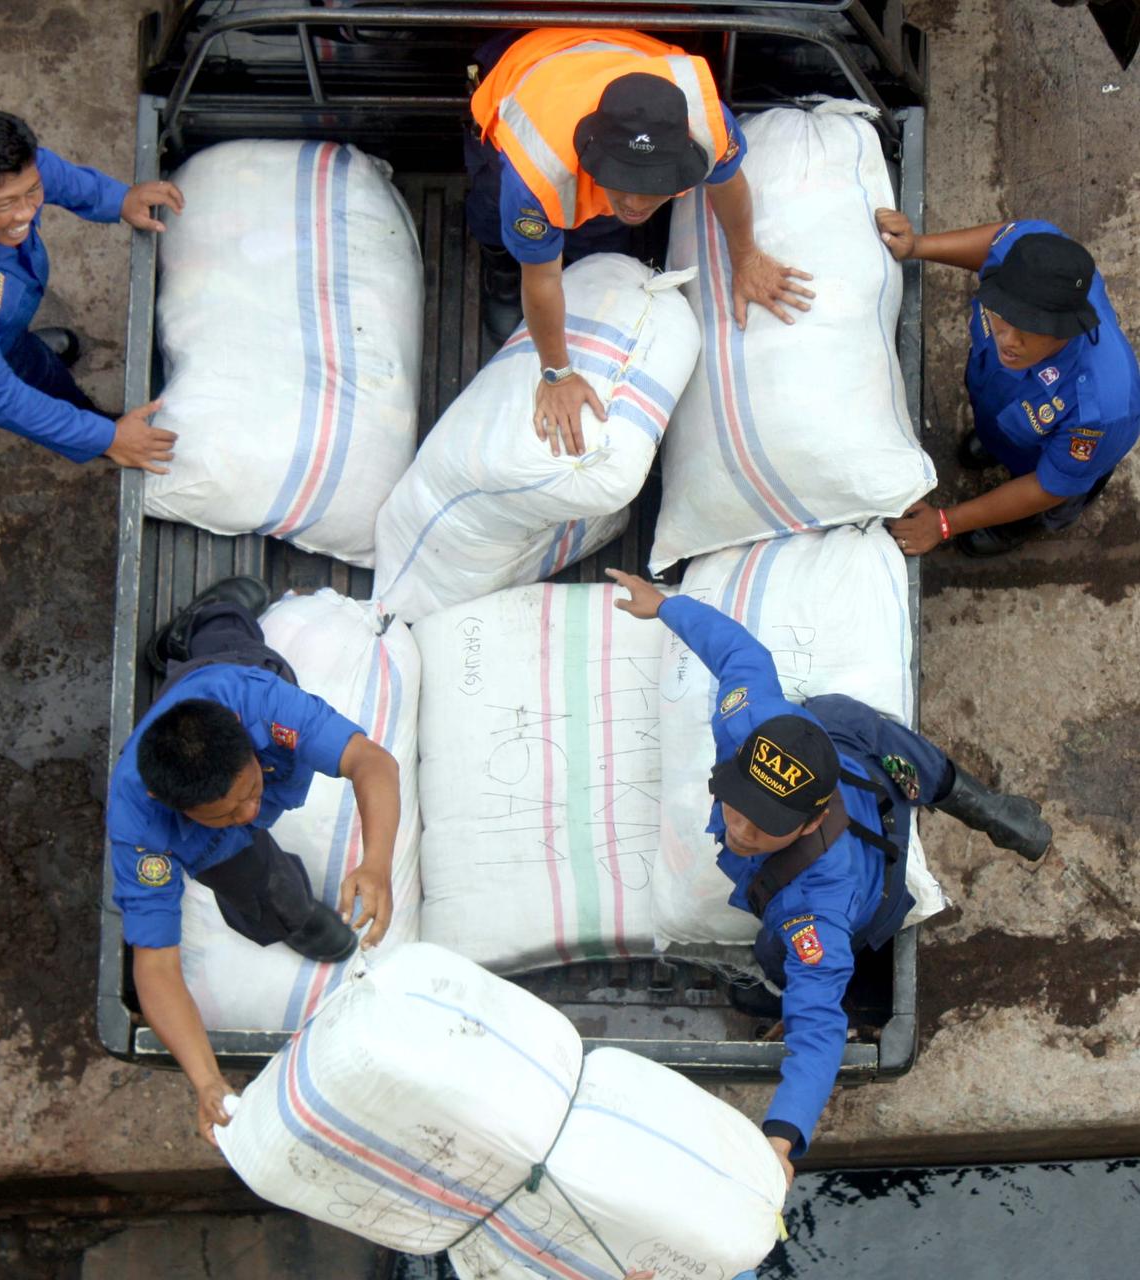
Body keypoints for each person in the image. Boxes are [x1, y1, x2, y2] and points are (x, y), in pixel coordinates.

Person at [605, 569, 1051, 1184]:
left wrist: (783, 1136)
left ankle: (992, 811)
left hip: (868, 878)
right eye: (738, 803)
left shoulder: (816, 908)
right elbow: (741, 653)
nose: (739, 828)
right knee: (842, 714)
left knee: (784, 953)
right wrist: (665, 606)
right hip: (835, 737)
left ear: (813, 815)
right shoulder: (750, 723)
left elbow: (820, 1033)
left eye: (763, 825)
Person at [106, 576, 400, 1145]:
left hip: (227, 667)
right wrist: (207, 1080)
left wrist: (378, 861)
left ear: (246, 741)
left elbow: (372, 762)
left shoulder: (258, 699)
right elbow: (156, 966)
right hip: (211, 844)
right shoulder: (139, 825)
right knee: (261, 889)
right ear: (174, 808)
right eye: (223, 810)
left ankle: (206, 616)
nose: (246, 811)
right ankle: (291, 915)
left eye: (249, 791)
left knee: (230, 631)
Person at [467, 28, 814, 457]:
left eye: (652, 185)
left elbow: (729, 186)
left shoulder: (706, 125)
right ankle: (498, 260)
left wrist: (747, 257)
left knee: (604, 231)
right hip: (519, 72)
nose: (634, 201)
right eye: (622, 181)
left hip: (625, 53)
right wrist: (556, 373)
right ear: (591, 155)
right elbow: (540, 278)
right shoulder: (537, 173)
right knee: (492, 214)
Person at [0, 109, 182, 471]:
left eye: (31, 194)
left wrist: (117, 199)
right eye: (5, 205)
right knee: (22, 371)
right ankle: (92, 422)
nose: (25, 214)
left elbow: (45, 170)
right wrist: (107, 438)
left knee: (21, 350)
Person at [876, 212, 1140, 557]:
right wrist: (918, 246)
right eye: (1003, 313)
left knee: (1050, 506)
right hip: (1001, 409)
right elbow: (998, 243)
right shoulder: (1034, 255)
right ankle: (994, 441)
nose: (1008, 340)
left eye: (1030, 328)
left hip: (1055, 470)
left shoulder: (1101, 410)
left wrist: (945, 522)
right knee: (994, 435)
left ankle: (1015, 528)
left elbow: (1047, 486)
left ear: (1068, 327)